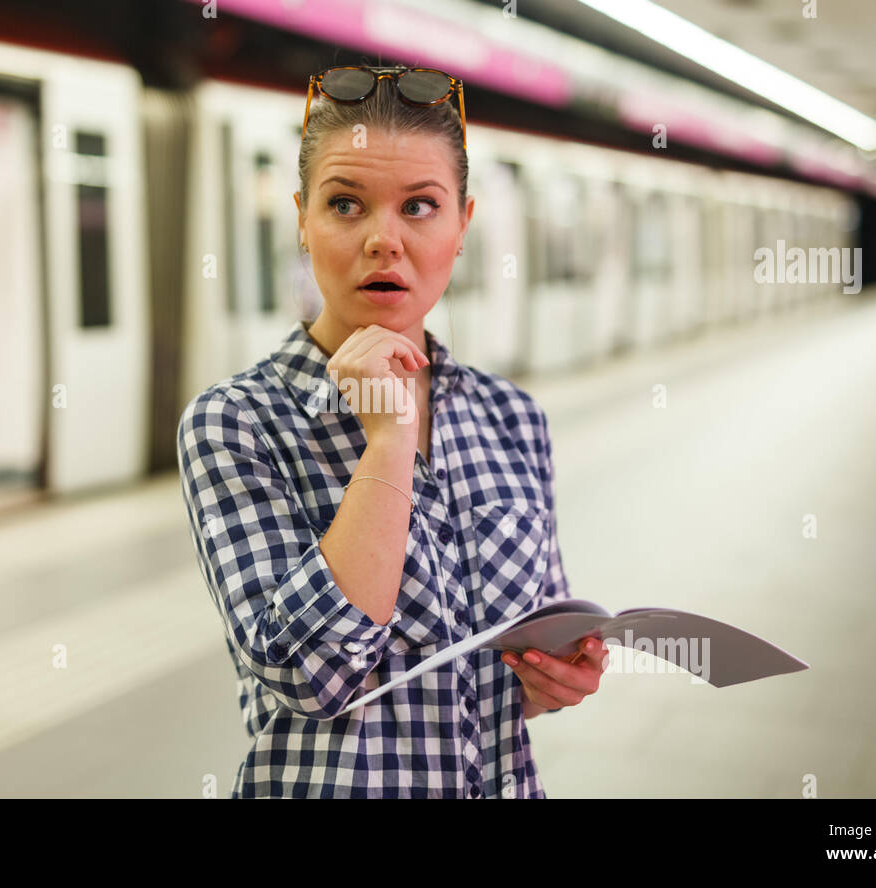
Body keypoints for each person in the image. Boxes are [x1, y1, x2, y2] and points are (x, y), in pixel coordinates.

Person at [176, 65, 608, 798]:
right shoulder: (236, 424)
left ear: (462, 225)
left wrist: (555, 678)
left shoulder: (513, 419)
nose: (384, 239)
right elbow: (315, 676)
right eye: (346, 204)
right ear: (303, 221)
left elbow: (515, 667)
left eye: (420, 206)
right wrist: (388, 441)